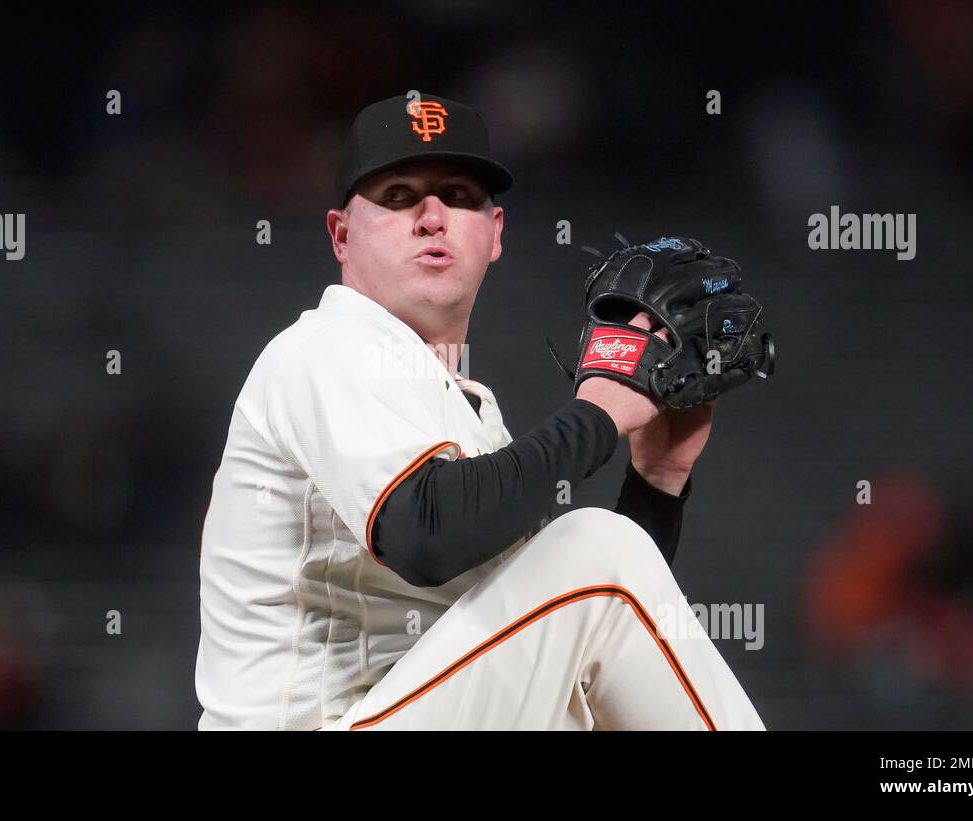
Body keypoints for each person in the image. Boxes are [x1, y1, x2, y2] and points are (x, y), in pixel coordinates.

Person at [194, 93, 764, 730]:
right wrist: (598, 414)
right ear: (341, 235)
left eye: (460, 196)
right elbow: (425, 534)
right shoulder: (325, 345)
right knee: (593, 545)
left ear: (494, 235)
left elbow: (585, 637)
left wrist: (655, 482)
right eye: (400, 195)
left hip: (411, 712)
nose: (433, 216)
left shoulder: (471, 414)